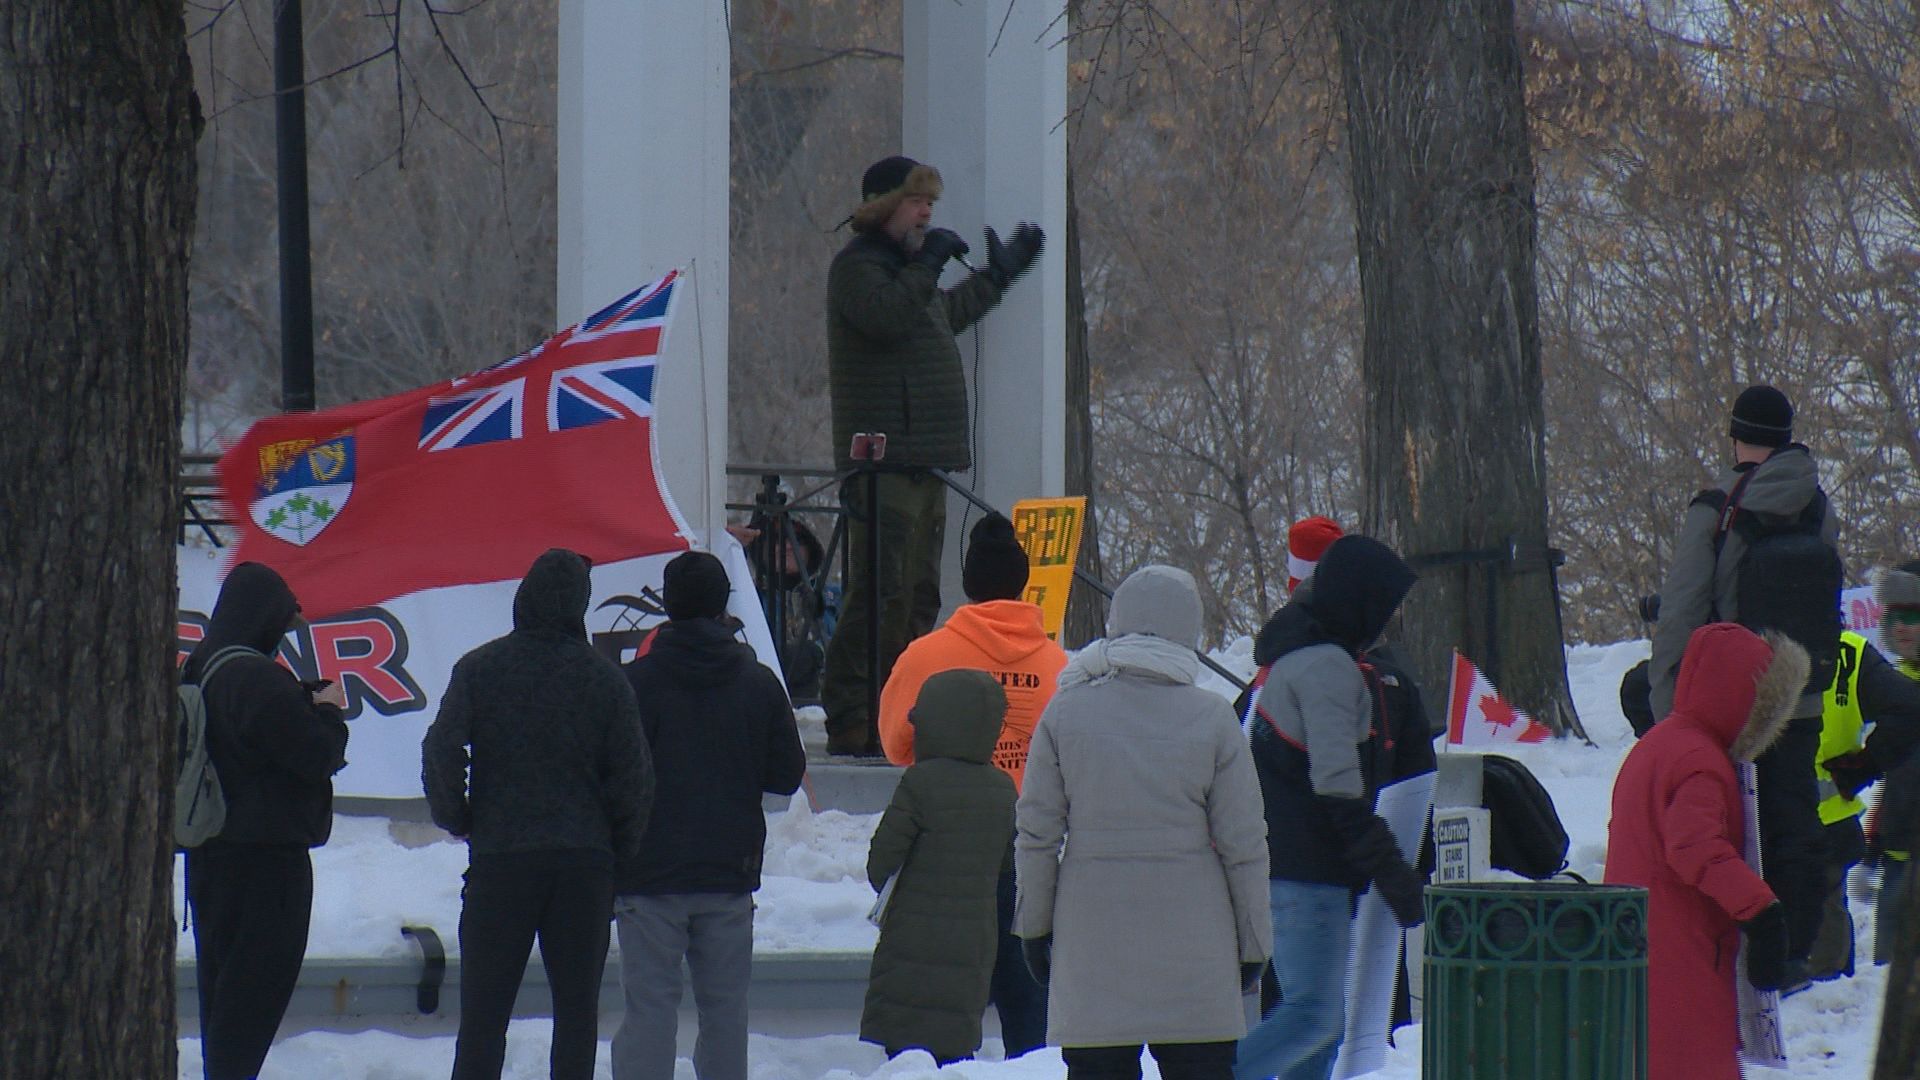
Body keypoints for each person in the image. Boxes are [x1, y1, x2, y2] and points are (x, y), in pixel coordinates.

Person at [820, 154, 1045, 756]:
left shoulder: (904, 273)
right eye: (917, 202)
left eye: (930, 204)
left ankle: (900, 711)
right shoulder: (858, 269)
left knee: (917, 595)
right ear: (883, 207)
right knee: (879, 593)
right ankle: (853, 715)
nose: (926, 214)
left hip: (924, 462)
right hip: (884, 467)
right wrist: (928, 263)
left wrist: (998, 277)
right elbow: (887, 318)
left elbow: (945, 313)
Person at [1016, 565, 1271, 1080]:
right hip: (1196, 949)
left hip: (1093, 945)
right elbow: (1244, 844)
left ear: (1118, 623)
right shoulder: (1213, 718)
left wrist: (1034, 926)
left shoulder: (1065, 713)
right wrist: (1254, 941)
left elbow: (1037, 836)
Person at [422, 549, 655, 1080]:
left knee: (483, 1017)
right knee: (577, 1015)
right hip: (583, 864)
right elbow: (634, 779)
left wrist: (458, 816)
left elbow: (441, 748)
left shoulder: (481, 668)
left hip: (501, 859)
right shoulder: (605, 679)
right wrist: (619, 853)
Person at [1645, 384, 1840, 979]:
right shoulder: (1817, 506)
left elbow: (1682, 611)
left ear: (1737, 437)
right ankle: (1794, 951)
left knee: (1726, 825)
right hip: (1801, 692)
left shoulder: (1717, 507)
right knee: (1793, 819)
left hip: (1735, 704)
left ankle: (1736, 948)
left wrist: (1668, 708)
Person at [1236, 536, 1427, 1080]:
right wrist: (1392, 872)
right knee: (1314, 1016)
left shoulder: (1293, 658)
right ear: (1358, 599)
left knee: (1323, 1032)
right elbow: (1337, 788)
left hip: (1289, 867)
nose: (1387, 620)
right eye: (1385, 604)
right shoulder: (1327, 668)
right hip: (1305, 873)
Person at [612, 551, 806, 1080]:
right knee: (725, 1013)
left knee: (648, 1011)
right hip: (728, 870)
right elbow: (786, 775)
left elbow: (610, 775)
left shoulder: (634, 683)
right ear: (723, 604)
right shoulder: (758, 682)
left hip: (649, 873)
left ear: (668, 606)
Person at [877, 511, 1064, 1054]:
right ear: (1023, 583)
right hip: (1025, 841)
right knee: (1026, 995)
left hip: (943, 846)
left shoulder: (926, 656)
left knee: (939, 996)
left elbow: (895, 745)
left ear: (968, 582)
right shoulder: (1058, 665)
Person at [1605, 623, 1805, 1080]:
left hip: (1641, 944)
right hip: (1681, 952)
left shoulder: (1661, 743)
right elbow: (1695, 847)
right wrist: (1760, 910)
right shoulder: (1701, 761)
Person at [182, 562, 349, 1080]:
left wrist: (298, 701)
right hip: (267, 863)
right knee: (254, 997)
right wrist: (327, 710)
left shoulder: (200, 665)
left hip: (210, 853)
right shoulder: (256, 676)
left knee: (221, 991)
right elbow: (315, 753)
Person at [861, 670, 1019, 1064]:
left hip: (911, 941)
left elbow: (881, 863)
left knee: (907, 1056)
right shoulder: (1003, 790)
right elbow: (1007, 865)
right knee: (955, 1048)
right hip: (974, 944)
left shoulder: (920, 783)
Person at [1800, 607, 1920, 981]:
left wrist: (1866, 766)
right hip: (1831, 821)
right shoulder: (1851, 652)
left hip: (1809, 823)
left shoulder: (1756, 642)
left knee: (1821, 947)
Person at [1825, 561, 1920, 965]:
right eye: (1893, 616)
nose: (1901, 627)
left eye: (1912, 616)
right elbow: (1898, 781)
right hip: (1898, 862)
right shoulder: (1897, 686)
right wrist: (1873, 848)